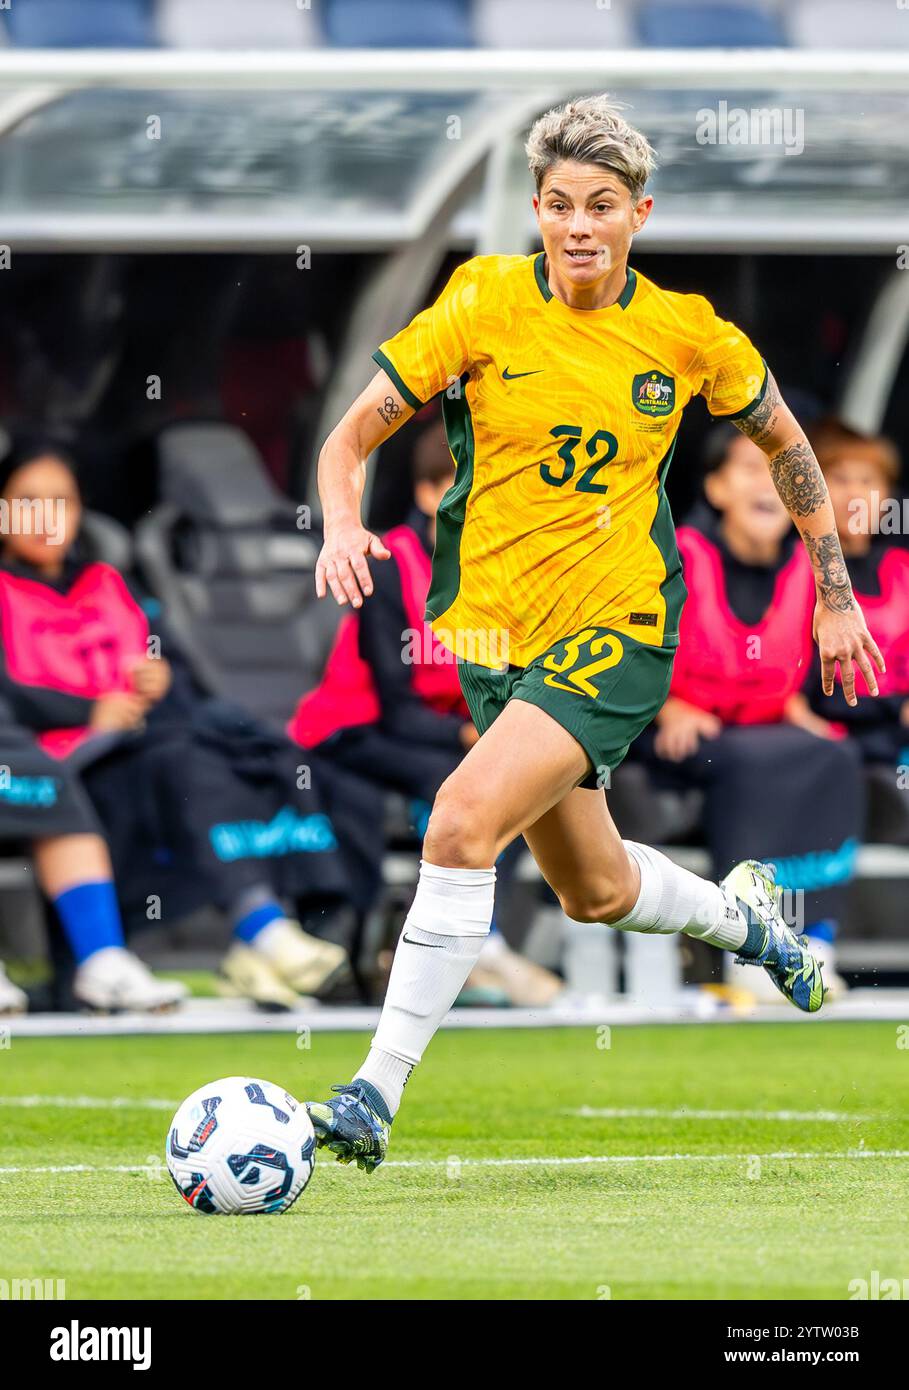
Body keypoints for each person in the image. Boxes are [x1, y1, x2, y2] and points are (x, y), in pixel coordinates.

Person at [304, 96, 884, 1173]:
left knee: (460, 819)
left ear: (639, 214)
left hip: (620, 626)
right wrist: (343, 521)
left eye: (602, 206)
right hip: (495, 639)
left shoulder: (685, 331)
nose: (578, 225)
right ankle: (751, 921)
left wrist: (835, 593)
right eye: (560, 205)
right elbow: (350, 438)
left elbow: (791, 447)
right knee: (597, 890)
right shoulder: (479, 302)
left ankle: (372, 1094)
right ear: (535, 210)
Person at [0, 440, 351, 1010]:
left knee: (211, 751)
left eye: (60, 501)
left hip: (134, 748)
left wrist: (158, 679)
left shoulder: (111, 583)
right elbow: (7, 694)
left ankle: (262, 930)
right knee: (184, 760)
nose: (46, 518)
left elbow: (168, 667)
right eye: (27, 501)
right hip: (52, 762)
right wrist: (88, 712)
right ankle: (258, 929)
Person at [290, 418, 561, 1006]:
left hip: (441, 734)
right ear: (425, 494)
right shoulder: (392, 564)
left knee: (521, 776)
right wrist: (472, 732)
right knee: (492, 782)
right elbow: (393, 706)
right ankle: (474, 951)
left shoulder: (501, 570)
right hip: (353, 731)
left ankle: (477, 946)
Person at [637, 424, 863, 994]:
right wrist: (669, 708)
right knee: (748, 760)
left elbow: (779, 666)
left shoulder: (806, 572)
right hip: (671, 732)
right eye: (749, 469)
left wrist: (793, 707)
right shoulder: (671, 557)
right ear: (715, 488)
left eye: (778, 472)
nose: (768, 484)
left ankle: (818, 939)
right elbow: (624, 647)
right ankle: (749, 946)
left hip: (759, 730)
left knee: (837, 756)